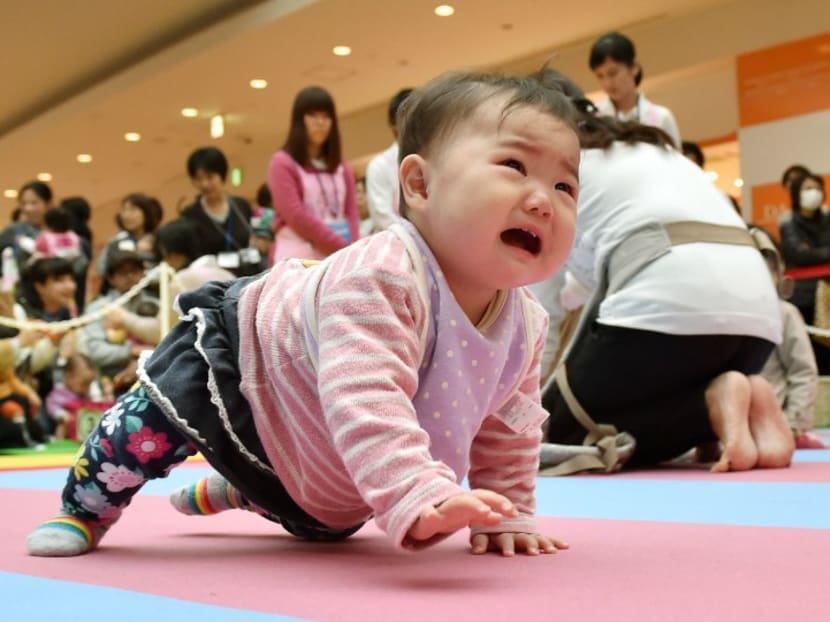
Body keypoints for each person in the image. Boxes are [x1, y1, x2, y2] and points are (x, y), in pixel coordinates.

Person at [27, 70, 580, 558]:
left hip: (323, 457)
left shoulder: (526, 323)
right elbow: (366, 399)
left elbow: (509, 428)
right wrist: (418, 489)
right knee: (147, 428)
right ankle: (85, 509)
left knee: (332, 518)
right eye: (514, 166)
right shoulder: (384, 275)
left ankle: (243, 489)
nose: (542, 201)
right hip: (246, 366)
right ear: (419, 184)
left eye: (565, 186)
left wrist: (509, 512)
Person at [533, 69, 793, 474]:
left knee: (568, 435)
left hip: (667, 316)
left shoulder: (558, 170)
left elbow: (542, 316)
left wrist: (530, 410)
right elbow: (586, 287)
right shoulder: (651, 149)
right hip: (757, 327)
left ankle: (708, 410)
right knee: (644, 385)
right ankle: (734, 402)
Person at [103, 219, 235, 347]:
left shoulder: (183, 279)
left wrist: (123, 317)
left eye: (164, 255)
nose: (165, 262)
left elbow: (161, 332)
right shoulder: (227, 274)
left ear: (175, 255)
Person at [268, 86, 359, 262]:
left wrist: (353, 248)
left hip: (341, 255)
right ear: (299, 121)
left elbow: (352, 211)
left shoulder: (342, 167)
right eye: (313, 115)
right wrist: (343, 247)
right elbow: (295, 215)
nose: (320, 122)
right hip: (298, 259)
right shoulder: (282, 163)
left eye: (326, 116)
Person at [754, 234, 825, 449]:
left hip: (774, 422)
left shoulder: (784, 314)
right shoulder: (723, 315)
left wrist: (794, 424)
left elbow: (802, 371)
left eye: (769, 269)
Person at [589, 32, 681, 148]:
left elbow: (675, 162)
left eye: (613, 73)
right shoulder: (594, 119)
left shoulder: (661, 117)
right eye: (600, 76)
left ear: (634, 68)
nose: (607, 83)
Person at [79, 250, 158, 384]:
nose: (129, 276)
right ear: (111, 279)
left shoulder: (157, 305)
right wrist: (131, 351)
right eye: (122, 273)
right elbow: (95, 350)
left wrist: (140, 361)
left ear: (143, 273)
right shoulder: (98, 308)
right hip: (108, 381)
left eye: (134, 270)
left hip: (152, 375)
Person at [180, 147, 258, 276]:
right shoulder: (190, 215)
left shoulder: (241, 206)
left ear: (222, 175)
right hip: (210, 281)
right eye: (198, 179)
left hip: (246, 276)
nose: (204, 184)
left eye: (210, 177)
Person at [365, 88, 414, 232]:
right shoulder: (379, 165)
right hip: (398, 242)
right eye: (407, 115)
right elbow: (382, 216)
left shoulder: (434, 157)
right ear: (394, 123)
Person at [96, 193, 163, 288]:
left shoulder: (160, 239)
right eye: (124, 210)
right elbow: (102, 269)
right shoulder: (116, 242)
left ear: (146, 213)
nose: (127, 215)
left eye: (133, 210)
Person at [44, 353, 97, 440]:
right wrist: (61, 414)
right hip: (62, 432)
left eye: (89, 385)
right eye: (83, 384)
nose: (86, 389)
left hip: (79, 434)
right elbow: (51, 404)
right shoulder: (60, 393)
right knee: (63, 423)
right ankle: (59, 443)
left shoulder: (85, 396)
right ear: (68, 377)